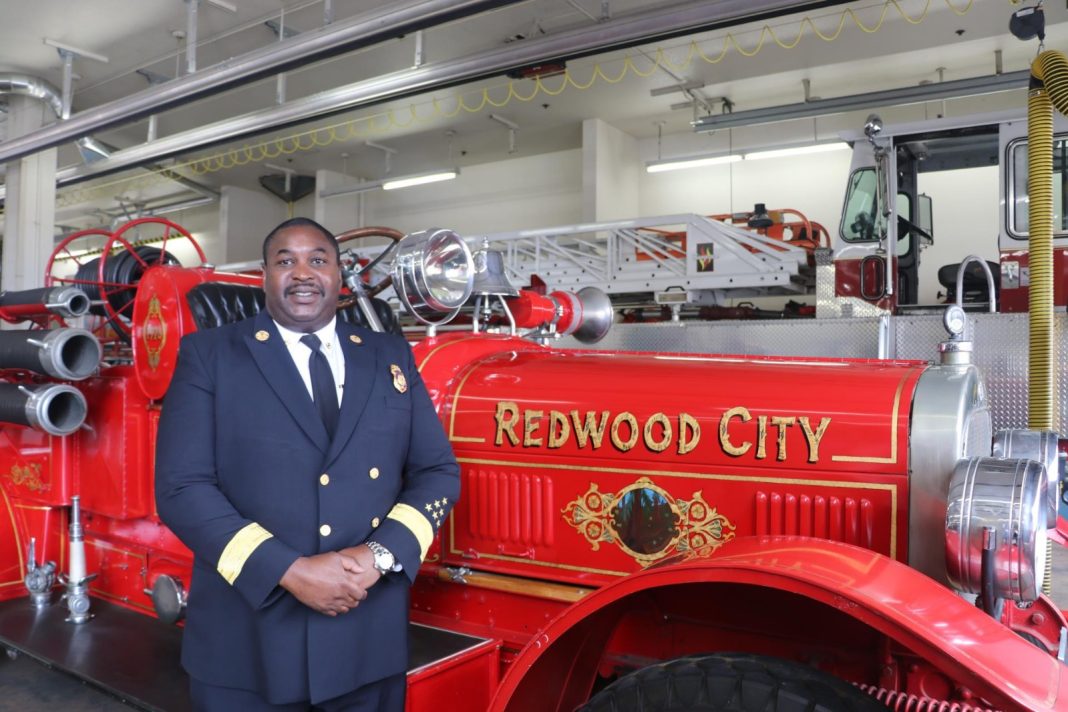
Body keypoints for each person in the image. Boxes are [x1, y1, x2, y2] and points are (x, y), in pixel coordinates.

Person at [155, 217, 460, 711]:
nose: (302, 273)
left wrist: (379, 556)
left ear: (338, 275)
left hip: (367, 642)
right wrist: (289, 571)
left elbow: (437, 472)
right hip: (248, 646)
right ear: (264, 275)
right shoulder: (210, 354)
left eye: (318, 260)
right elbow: (181, 488)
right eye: (286, 261)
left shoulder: (389, 355)